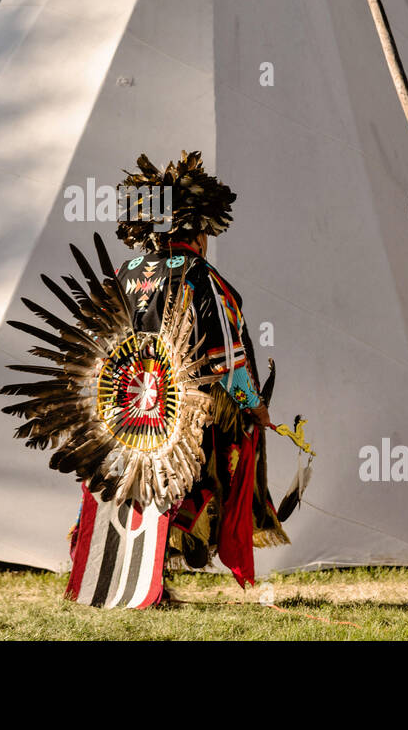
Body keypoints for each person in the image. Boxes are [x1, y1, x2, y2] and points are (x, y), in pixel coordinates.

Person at [110, 152, 288, 598]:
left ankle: (134, 574)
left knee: (134, 482)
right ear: (196, 230)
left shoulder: (125, 273)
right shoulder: (202, 276)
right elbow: (226, 357)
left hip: (128, 404)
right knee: (198, 478)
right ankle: (177, 555)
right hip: (186, 410)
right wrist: (254, 405)